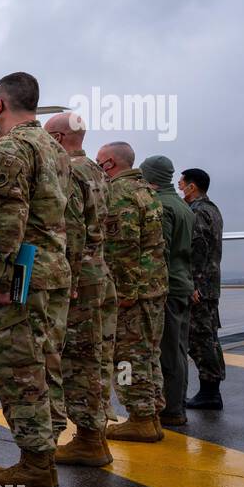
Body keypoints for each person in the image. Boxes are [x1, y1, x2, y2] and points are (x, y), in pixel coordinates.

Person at [0, 72, 71, 487]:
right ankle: (41, 455)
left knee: (19, 370)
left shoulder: (11, 149)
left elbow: (4, 222)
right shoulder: (54, 148)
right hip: (52, 273)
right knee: (45, 362)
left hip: (22, 279)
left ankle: (36, 465)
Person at [46, 113, 115, 466]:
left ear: (57, 138)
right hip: (99, 272)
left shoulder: (69, 172)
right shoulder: (97, 171)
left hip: (80, 279)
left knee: (78, 358)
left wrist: (67, 280)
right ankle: (95, 435)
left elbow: (71, 230)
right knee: (97, 356)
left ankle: (88, 439)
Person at [97, 142, 167, 442]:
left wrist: (123, 292)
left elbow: (122, 248)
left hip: (133, 291)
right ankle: (151, 415)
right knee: (148, 353)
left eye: (100, 163)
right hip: (153, 286)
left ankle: (139, 417)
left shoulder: (118, 194)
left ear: (110, 164)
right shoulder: (148, 191)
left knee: (127, 357)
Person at [142, 155, 194, 427]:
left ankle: (172, 409)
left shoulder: (161, 206)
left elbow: (158, 252)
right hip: (182, 285)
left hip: (167, 288)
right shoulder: (185, 207)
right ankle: (178, 402)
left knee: (168, 353)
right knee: (179, 349)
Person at [181, 168, 226, 409]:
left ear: (193, 186)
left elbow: (197, 249)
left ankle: (210, 392)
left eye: (182, 183)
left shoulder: (197, 212)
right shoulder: (213, 210)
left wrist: (193, 284)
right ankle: (211, 391)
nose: (179, 186)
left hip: (201, 288)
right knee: (209, 337)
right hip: (210, 285)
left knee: (201, 339)